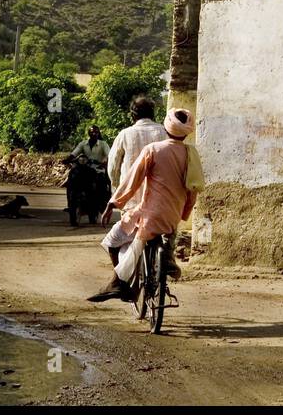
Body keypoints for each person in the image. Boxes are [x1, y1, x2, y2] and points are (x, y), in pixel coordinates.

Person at [88, 108, 205, 302]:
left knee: (111, 241)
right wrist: (183, 213)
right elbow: (193, 189)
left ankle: (121, 284)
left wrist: (114, 203)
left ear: (167, 128)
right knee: (166, 232)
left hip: (150, 213)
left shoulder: (153, 150)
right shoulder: (191, 154)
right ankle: (166, 258)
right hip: (172, 214)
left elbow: (132, 181)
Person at [106, 96, 167, 202]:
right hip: (158, 203)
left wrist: (118, 189)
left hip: (130, 200)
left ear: (133, 115)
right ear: (152, 114)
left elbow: (113, 166)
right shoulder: (165, 132)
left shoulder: (124, 134)